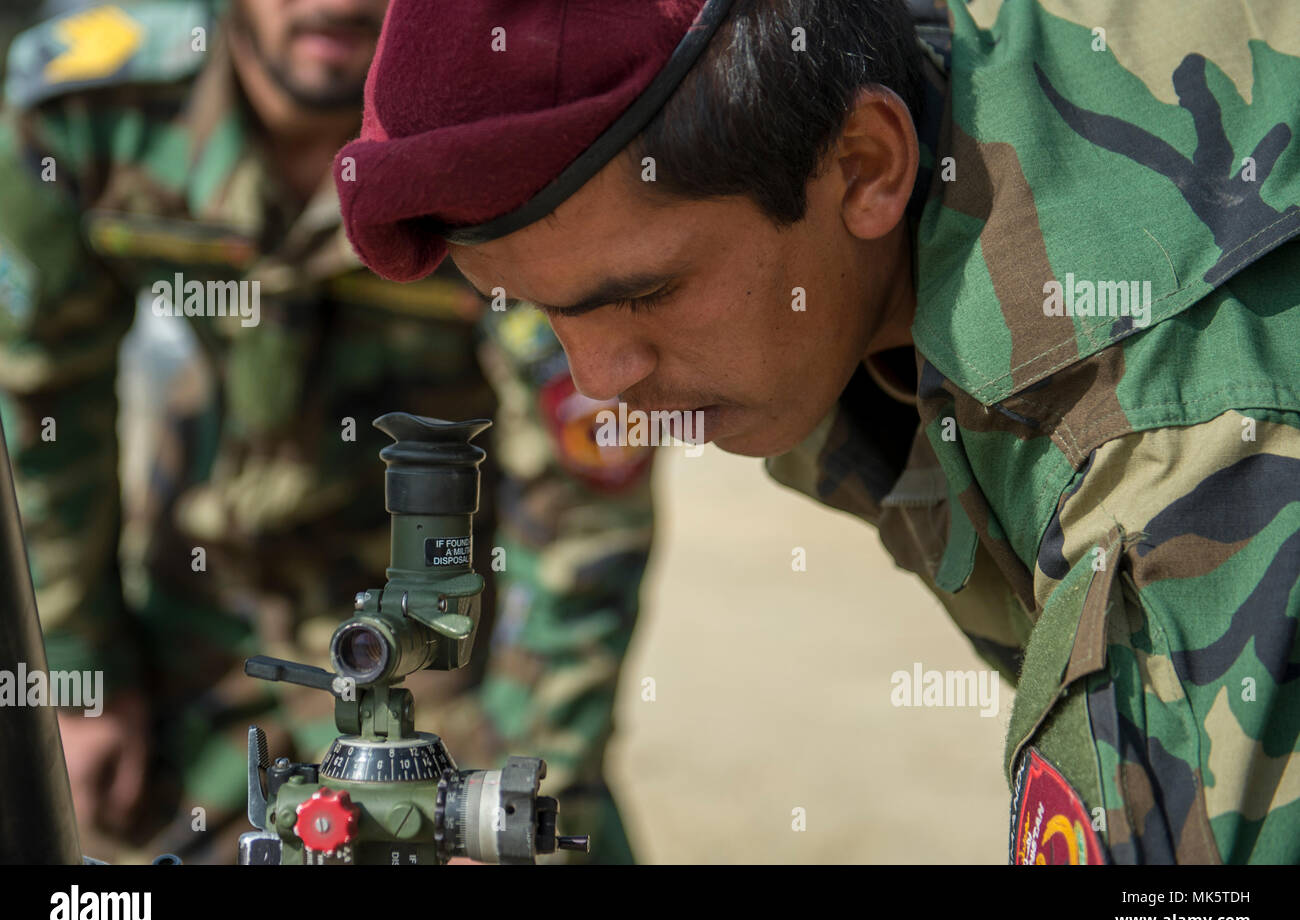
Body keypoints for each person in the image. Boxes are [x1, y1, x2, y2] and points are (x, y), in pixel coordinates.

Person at [334, 0, 1300, 865]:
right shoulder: (892, 131)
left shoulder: (1164, 446)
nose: (598, 380)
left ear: (866, 166)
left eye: (645, 293)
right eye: (542, 311)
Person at [0, 0, 654, 864]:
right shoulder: (90, 107)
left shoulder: (512, 129)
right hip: (209, 610)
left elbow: (583, 503)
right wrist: (81, 678)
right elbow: (44, 414)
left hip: (447, 639)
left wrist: (534, 783)